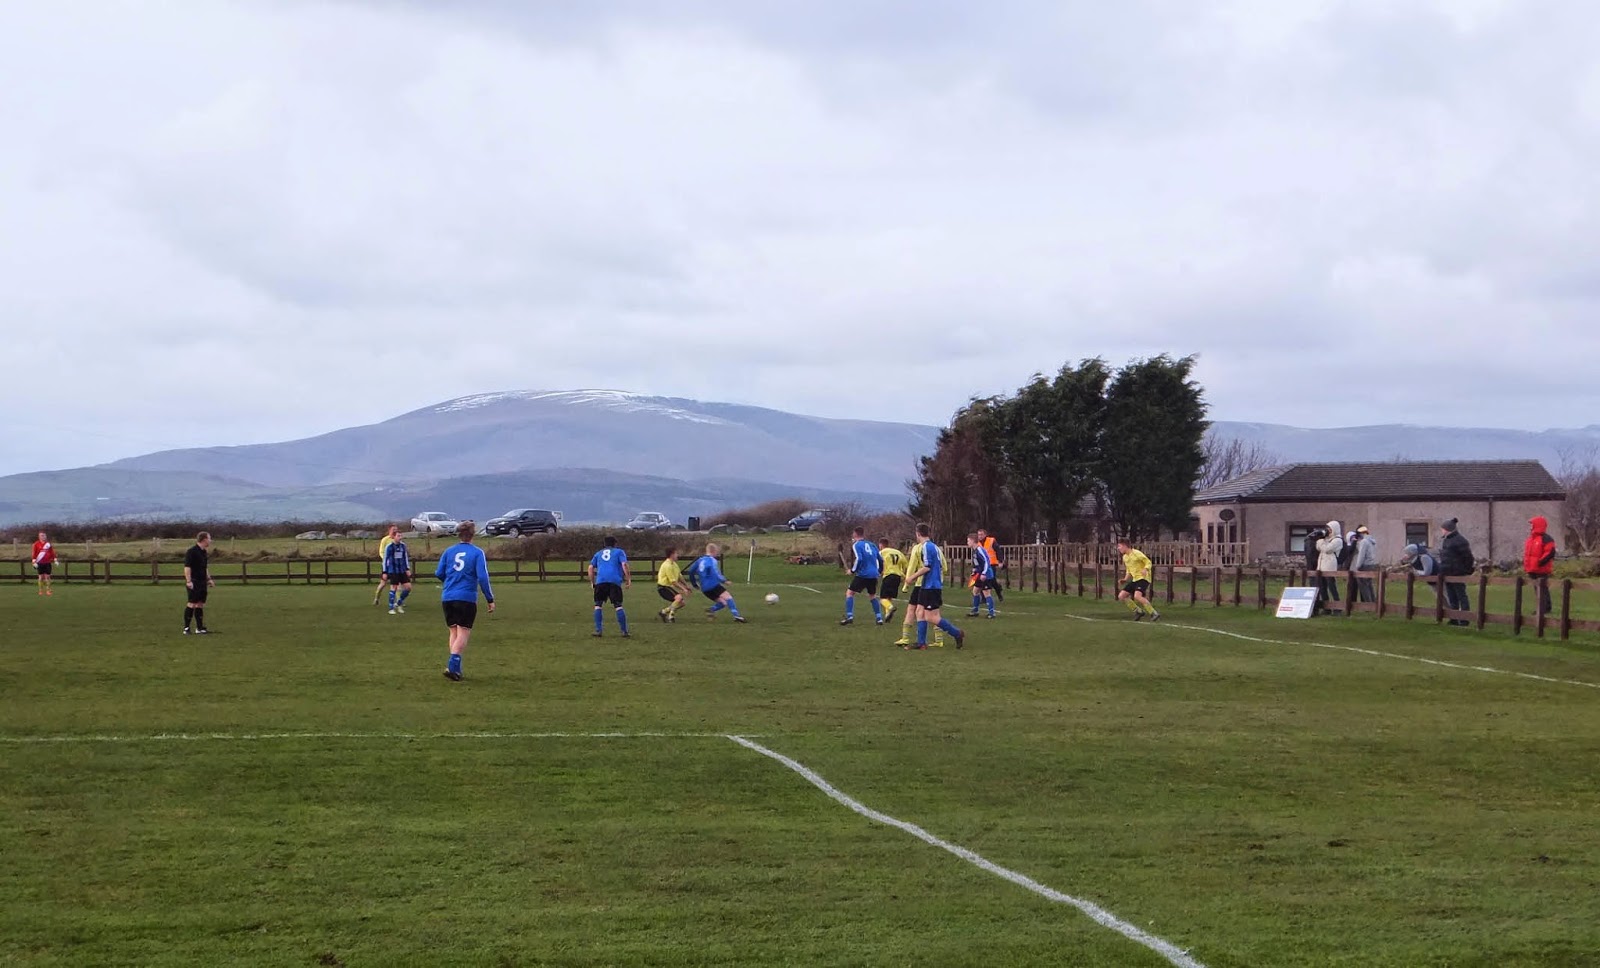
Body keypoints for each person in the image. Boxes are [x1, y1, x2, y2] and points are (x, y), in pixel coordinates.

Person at [435, 520, 495, 680]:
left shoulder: (449, 551)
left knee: (453, 631)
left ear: (459, 534)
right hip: (466, 598)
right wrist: (489, 598)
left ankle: (454, 668)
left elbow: (439, 573)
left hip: (447, 597)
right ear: (472, 534)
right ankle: (453, 665)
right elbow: (483, 577)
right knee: (463, 632)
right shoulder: (477, 553)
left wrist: (450, 582)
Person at [905, 523, 965, 650]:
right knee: (919, 612)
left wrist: (912, 577)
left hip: (931, 586)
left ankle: (956, 633)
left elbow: (927, 566)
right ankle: (921, 643)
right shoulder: (931, 546)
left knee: (931, 617)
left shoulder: (927, 547)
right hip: (926, 585)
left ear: (918, 534)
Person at [894, 538, 942, 648]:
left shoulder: (919, 548)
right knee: (932, 612)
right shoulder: (936, 548)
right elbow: (943, 565)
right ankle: (937, 640)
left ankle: (907, 638)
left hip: (922, 584)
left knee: (914, 610)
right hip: (933, 583)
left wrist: (907, 583)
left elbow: (912, 566)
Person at [588, 535, 631, 637]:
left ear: (604, 544)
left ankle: (598, 630)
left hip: (601, 581)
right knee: (618, 605)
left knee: (598, 605)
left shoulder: (598, 553)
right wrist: (628, 578)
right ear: (615, 544)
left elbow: (590, 567)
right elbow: (624, 565)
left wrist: (592, 582)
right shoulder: (619, 552)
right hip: (614, 581)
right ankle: (624, 631)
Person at [689, 543, 745, 622]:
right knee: (728, 597)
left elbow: (691, 572)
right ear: (713, 551)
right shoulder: (712, 560)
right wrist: (724, 581)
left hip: (704, 589)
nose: (717, 554)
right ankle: (737, 616)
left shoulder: (699, 560)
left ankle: (711, 610)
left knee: (723, 603)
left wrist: (694, 584)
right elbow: (716, 573)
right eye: (716, 552)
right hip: (713, 585)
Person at [840, 527, 883, 626]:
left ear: (855, 534)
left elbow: (859, 559)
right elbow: (880, 559)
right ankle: (879, 618)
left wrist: (852, 570)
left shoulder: (857, 545)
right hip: (873, 574)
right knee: (872, 596)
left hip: (863, 574)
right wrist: (879, 571)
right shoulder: (872, 544)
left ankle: (850, 616)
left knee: (850, 593)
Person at [1437, 517, 1475, 626]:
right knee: (1452, 597)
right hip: (1447, 573)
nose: (1442, 531)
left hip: (1457, 573)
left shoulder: (1460, 541)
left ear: (1448, 529)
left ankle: (1464, 619)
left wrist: (1466, 570)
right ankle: (1453, 617)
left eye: (1443, 529)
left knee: (1461, 596)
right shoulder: (1446, 540)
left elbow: (1468, 557)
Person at [1115, 538, 1160, 621]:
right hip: (1135, 579)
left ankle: (1154, 613)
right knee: (1121, 596)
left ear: (1125, 546)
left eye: (1119, 546)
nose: (1118, 548)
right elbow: (1129, 569)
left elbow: (1148, 562)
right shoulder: (1125, 557)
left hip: (1143, 578)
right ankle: (1138, 611)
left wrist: (1145, 569)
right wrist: (1125, 579)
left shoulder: (1136, 553)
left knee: (1137, 596)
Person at [1524, 515, 1557, 616]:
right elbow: (1527, 554)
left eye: (1532, 525)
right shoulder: (1531, 539)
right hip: (1532, 569)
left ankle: (1544, 608)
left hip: (1541, 569)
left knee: (1542, 589)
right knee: (1537, 589)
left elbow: (1550, 552)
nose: (1530, 527)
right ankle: (1543, 607)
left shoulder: (1546, 539)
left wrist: (1540, 562)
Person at [182, 531, 215, 634]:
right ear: (204, 539)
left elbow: (204, 567)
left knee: (200, 604)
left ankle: (199, 628)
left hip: (202, 582)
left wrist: (209, 579)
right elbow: (187, 567)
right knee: (192, 603)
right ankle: (186, 628)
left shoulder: (204, 552)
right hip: (194, 581)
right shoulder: (191, 552)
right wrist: (189, 581)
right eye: (209, 538)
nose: (210, 540)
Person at [382, 527, 414, 614]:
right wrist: (384, 572)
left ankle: (399, 602)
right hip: (393, 570)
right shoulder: (389, 547)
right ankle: (391, 608)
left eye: (401, 536)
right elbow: (385, 559)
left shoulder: (403, 546)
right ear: (394, 537)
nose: (400, 537)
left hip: (402, 570)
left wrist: (407, 569)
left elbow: (405, 558)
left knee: (408, 587)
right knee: (394, 588)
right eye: (398, 536)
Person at [656, 546, 691, 623]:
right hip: (663, 588)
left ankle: (664, 612)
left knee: (682, 603)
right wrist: (684, 589)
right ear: (672, 555)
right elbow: (673, 582)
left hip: (668, 587)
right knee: (679, 598)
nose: (677, 555)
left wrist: (686, 585)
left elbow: (679, 576)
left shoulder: (674, 564)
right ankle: (671, 617)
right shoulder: (667, 565)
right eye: (676, 553)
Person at [1315, 520, 1344, 613]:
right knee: (1322, 588)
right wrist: (1321, 541)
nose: (1328, 531)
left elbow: (1327, 549)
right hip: (1321, 566)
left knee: (1332, 588)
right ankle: (1326, 608)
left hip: (1330, 567)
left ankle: (1337, 608)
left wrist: (1320, 541)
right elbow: (1318, 547)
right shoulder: (1326, 540)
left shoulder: (1338, 540)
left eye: (1330, 529)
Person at [966, 532, 997, 618]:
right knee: (975, 591)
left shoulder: (980, 549)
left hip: (985, 575)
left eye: (968, 541)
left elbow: (987, 562)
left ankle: (992, 613)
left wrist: (984, 573)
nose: (967, 543)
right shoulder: (974, 551)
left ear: (973, 541)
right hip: (979, 575)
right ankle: (975, 610)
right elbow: (978, 564)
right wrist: (975, 570)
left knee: (986, 593)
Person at [877, 537, 906, 623]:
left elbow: (877, 563)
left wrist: (878, 572)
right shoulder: (898, 552)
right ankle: (887, 615)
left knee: (882, 599)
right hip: (897, 577)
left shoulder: (881, 552)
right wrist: (903, 574)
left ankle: (890, 608)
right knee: (889, 597)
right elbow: (905, 564)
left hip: (888, 576)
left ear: (881, 545)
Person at [373, 525, 400, 606]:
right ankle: (376, 598)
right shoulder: (385, 540)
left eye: (396, 529)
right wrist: (386, 560)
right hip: (387, 566)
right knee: (383, 584)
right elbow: (381, 551)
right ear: (389, 530)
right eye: (393, 529)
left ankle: (398, 601)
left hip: (396, 566)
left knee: (397, 584)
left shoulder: (398, 540)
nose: (395, 531)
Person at [1351, 526, 1379, 603]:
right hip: (1371, 565)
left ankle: (1368, 604)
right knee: (1369, 585)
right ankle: (1374, 601)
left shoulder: (1364, 542)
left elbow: (1361, 555)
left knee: (1363, 586)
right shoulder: (1372, 541)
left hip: (1364, 565)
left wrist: (1358, 566)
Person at [977, 529, 1005, 603]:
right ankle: (983, 598)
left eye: (981, 534)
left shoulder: (991, 541)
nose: (980, 536)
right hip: (982, 565)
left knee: (992, 580)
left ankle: (999, 592)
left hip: (991, 563)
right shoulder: (977, 543)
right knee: (982, 580)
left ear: (985, 535)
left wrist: (1000, 561)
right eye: (979, 535)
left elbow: (998, 550)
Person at [31, 530, 56, 597]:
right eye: (42, 535)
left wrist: (55, 559)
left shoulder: (48, 544)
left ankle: (48, 590)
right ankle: (41, 590)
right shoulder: (36, 544)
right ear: (39, 537)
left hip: (47, 562)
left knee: (47, 577)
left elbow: (52, 552)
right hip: (40, 563)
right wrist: (34, 562)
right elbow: (34, 553)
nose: (43, 537)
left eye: (44, 535)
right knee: (41, 577)